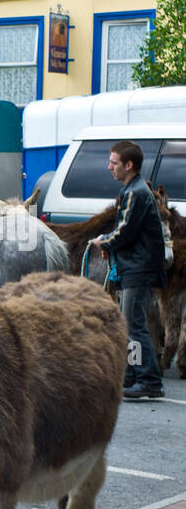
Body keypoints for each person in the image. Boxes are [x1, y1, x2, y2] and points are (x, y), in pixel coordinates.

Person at [91, 139, 167, 400]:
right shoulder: (133, 190)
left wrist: (104, 241)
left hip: (139, 269)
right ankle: (134, 374)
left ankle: (149, 380)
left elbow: (125, 231)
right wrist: (110, 243)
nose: (109, 167)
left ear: (129, 165)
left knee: (134, 325)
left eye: (113, 163)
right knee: (130, 323)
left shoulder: (135, 192)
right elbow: (125, 229)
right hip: (134, 267)